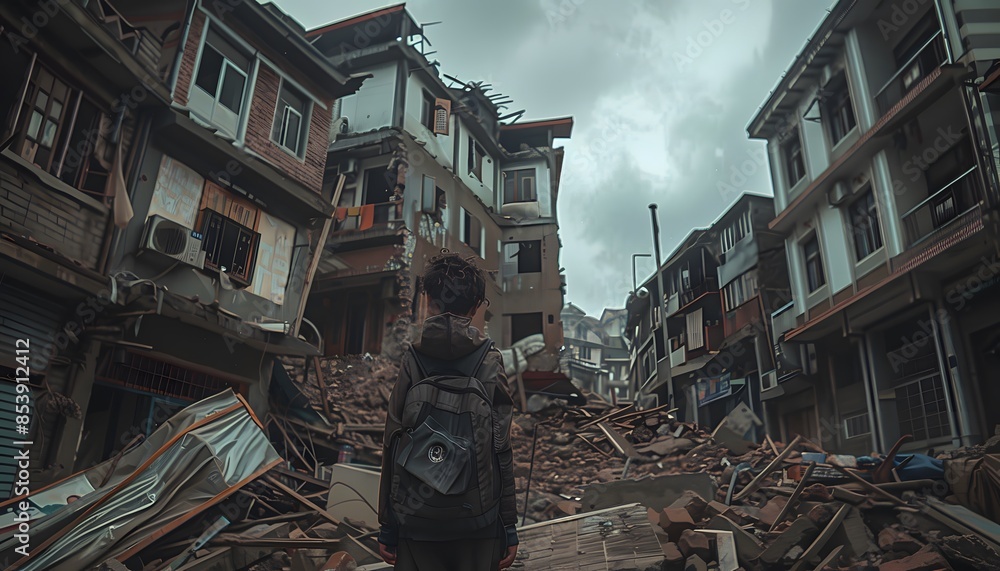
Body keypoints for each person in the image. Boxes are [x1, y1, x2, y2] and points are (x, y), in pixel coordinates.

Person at [378, 252, 519, 570]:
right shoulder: (489, 360)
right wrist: (508, 526)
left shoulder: (413, 359)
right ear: (475, 307)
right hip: (478, 521)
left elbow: (391, 442)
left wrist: (388, 525)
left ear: (429, 301)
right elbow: (502, 450)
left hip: (417, 520)